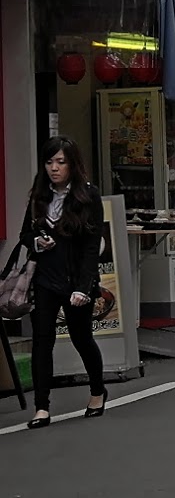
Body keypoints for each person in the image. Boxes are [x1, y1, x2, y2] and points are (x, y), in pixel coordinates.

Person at [16, 137, 108, 429]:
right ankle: (41, 407)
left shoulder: (88, 196)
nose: (54, 168)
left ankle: (97, 391)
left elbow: (92, 246)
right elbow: (24, 235)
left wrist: (84, 286)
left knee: (82, 339)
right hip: (45, 279)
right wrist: (38, 241)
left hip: (76, 281)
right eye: (49, 162)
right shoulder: (39, 195)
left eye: (60, 162)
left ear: (72, 164)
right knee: (43, 342)